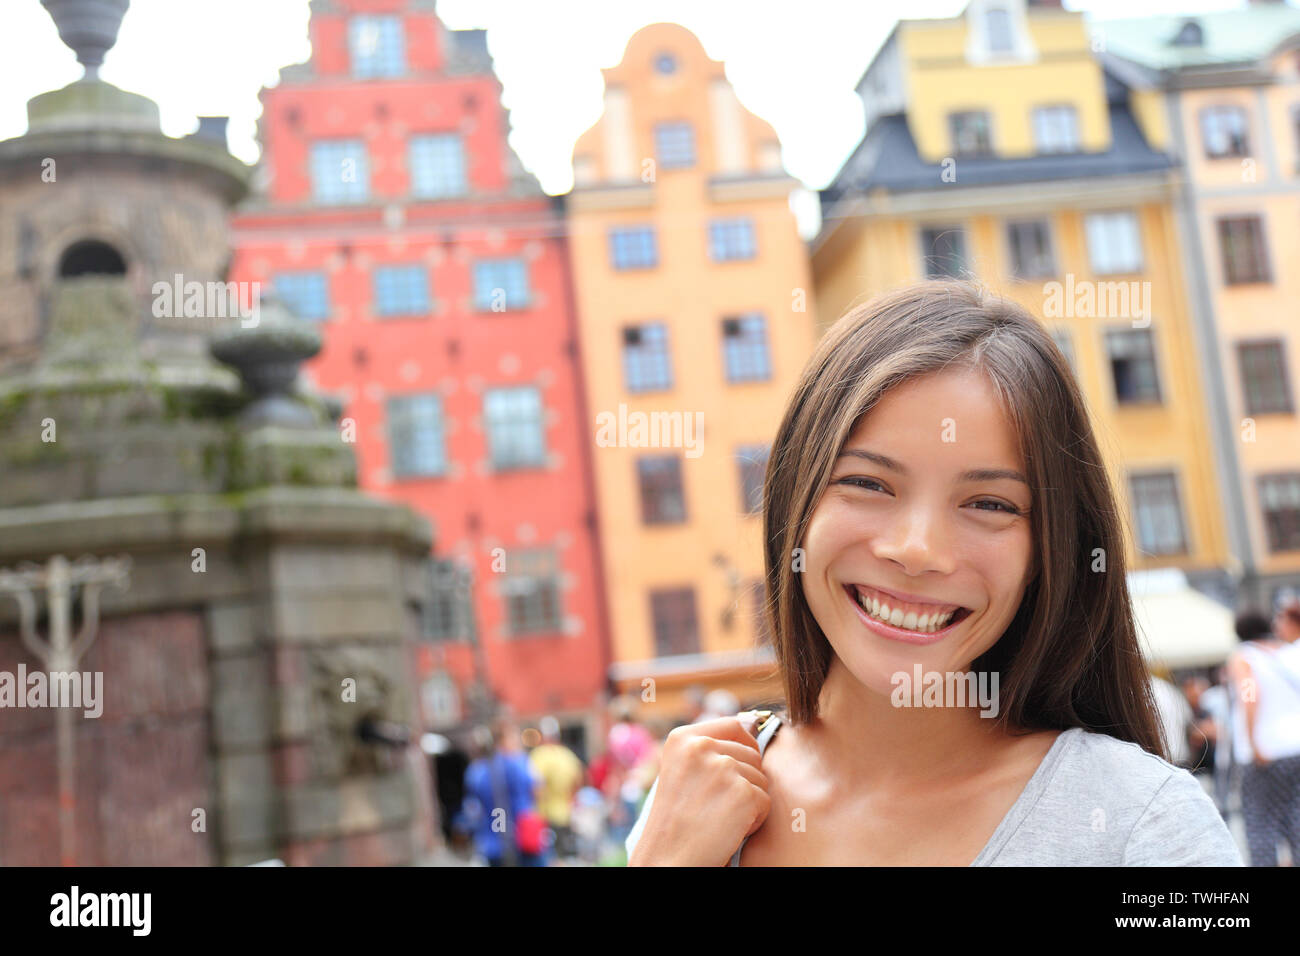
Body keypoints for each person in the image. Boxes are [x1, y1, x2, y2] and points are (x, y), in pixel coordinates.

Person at [626, 280, 1241, 866]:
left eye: (989, 504)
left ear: (1047, 552)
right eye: (867, 483)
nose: (918, 550)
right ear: (796, 502)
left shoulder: (1143, 825)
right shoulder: (692, 799)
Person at [1226, 597, 1300, 865]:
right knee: (1295, 817)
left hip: (1265, 750)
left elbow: (1249, 694)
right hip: (1295, 748)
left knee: (1260, 823)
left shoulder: (1244, 656)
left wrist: (1253, 742)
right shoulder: (1287, 653)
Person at [462, 718, 543, 867]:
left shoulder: (475, 771)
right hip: (522, 840)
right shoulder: (518, 763)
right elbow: (537, 790)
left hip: (491, 843)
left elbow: (472, 808)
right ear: (503, 740)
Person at [528, 716, 585, 862]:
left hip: (545, 816)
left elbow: (535, 787)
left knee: (550, 859)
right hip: (565, 813)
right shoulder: (567, 755)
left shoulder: (539, 755)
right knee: (566, 856)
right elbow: (579, 780)